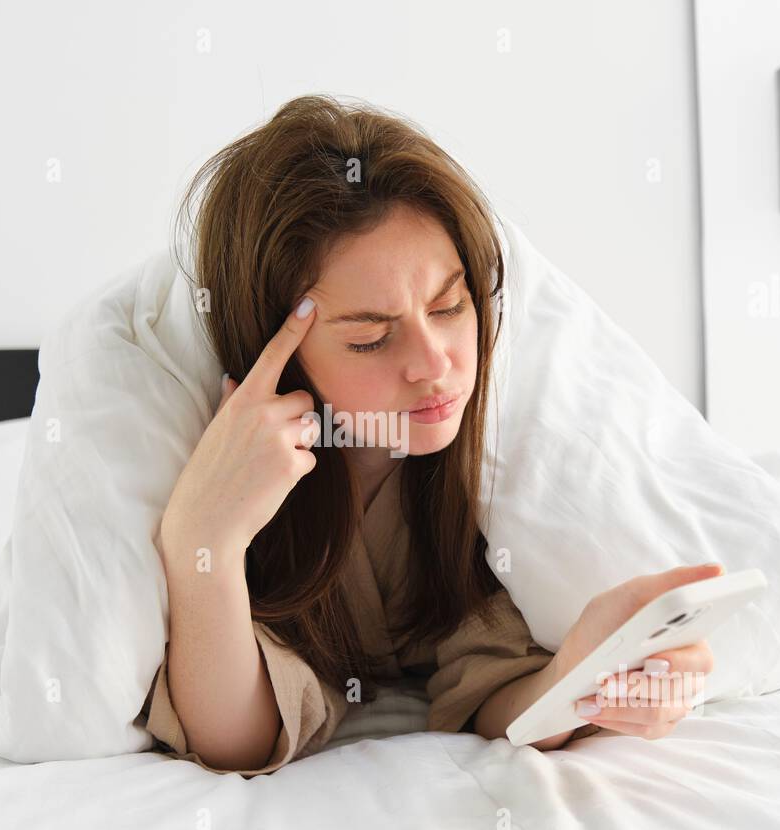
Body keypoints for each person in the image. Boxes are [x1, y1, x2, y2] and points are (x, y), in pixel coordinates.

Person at [140, 94, 716, 776]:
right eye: (370, 338)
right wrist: (202, 541)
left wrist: (579, 675)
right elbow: (231, 740)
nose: (436, 364)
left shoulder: (498, 453)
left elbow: (494, 694)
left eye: (449, 306)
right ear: (278, 351)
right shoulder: (258, 475)